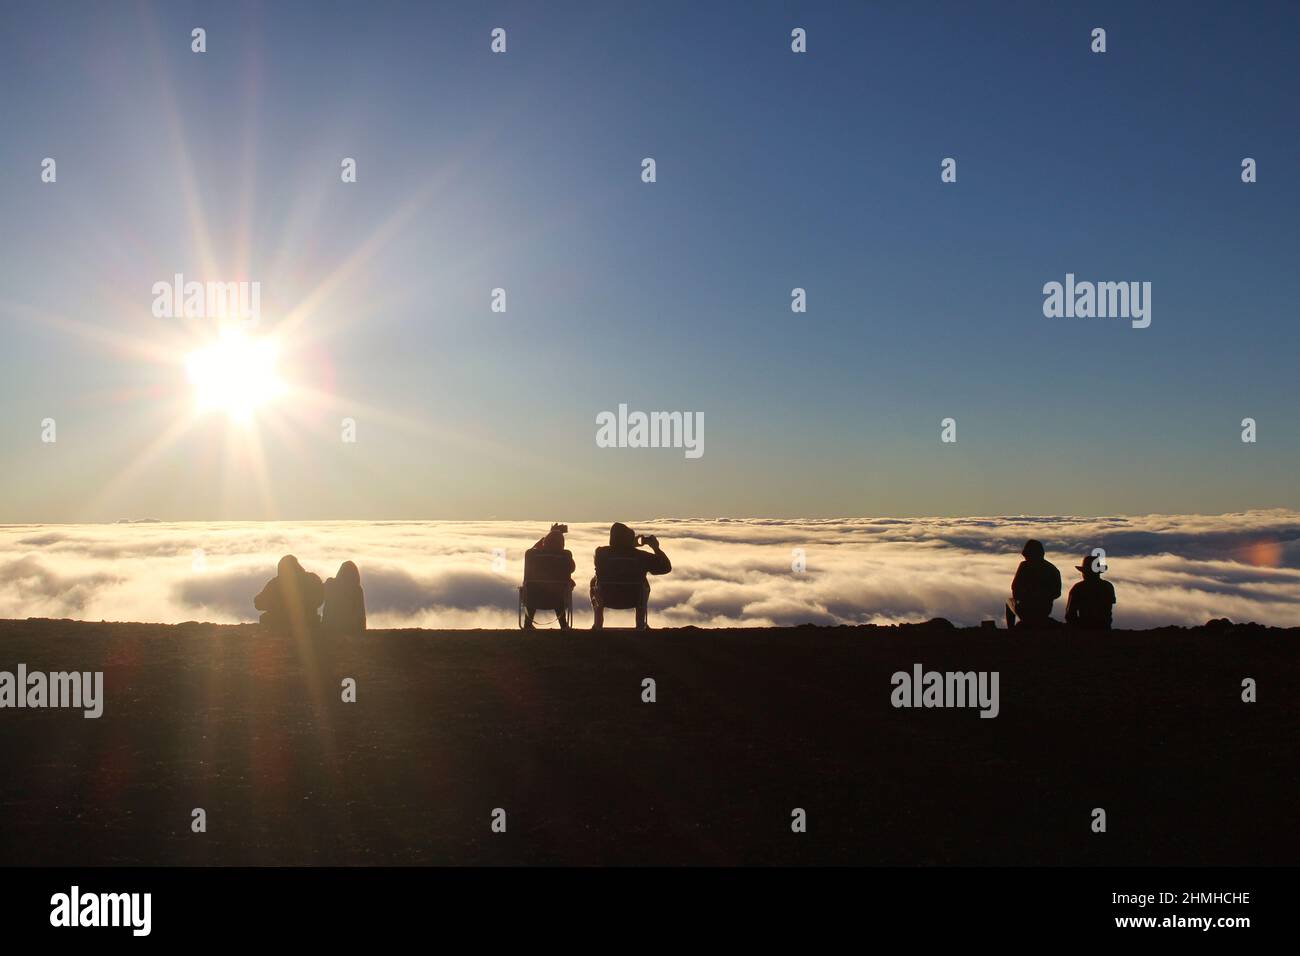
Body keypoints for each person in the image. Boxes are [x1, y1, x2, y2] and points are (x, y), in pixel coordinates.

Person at [590, 523, 672, 630]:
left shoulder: (601, 553)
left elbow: (617, 555)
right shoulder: (641, 556)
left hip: (607, 598)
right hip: (634, 599)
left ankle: (598, 624)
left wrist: (628, 546)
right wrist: (656, 548)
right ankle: (640, 623)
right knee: (644, 583)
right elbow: (666, 567)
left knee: (594, 581)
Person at [521, 524, 576, 630]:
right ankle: (563, 624)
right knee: (559, 588)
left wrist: (544, 541)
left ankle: (527, 624)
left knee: (533, 586)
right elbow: (572, 569)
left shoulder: (531, 554)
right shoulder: (565, 555)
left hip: (534, 598)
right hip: (557, 599)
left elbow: (531, 554)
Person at [254, 555, 324, 635]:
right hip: (310, 623)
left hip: (280, 625)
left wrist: (276, 606)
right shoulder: (313, 579)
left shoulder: (275, 583)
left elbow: (258, 604)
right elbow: (320, 599)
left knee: (265, 618)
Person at [1005, 539, 1061, 629]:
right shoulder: (1052, 569)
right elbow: (1057, 593)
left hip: (1025, 610)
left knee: (1009, 601)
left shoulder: (1024, 566)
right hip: (1044, 610)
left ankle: (1011, 631)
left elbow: (1014, 587)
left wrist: (1027, 597)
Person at [1065, 553, 1116, 630]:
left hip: (1084, 629)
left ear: (1085, 572)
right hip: (1104, 628)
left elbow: (1070, 614)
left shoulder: (1078, 588)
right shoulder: (1107, 586)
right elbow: (1108, 609)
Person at [322, 560, 367, 634]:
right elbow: (361, 615)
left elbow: (318, 595)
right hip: (349, 630)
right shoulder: (357, 590)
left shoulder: (331, 584)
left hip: (329, 628)